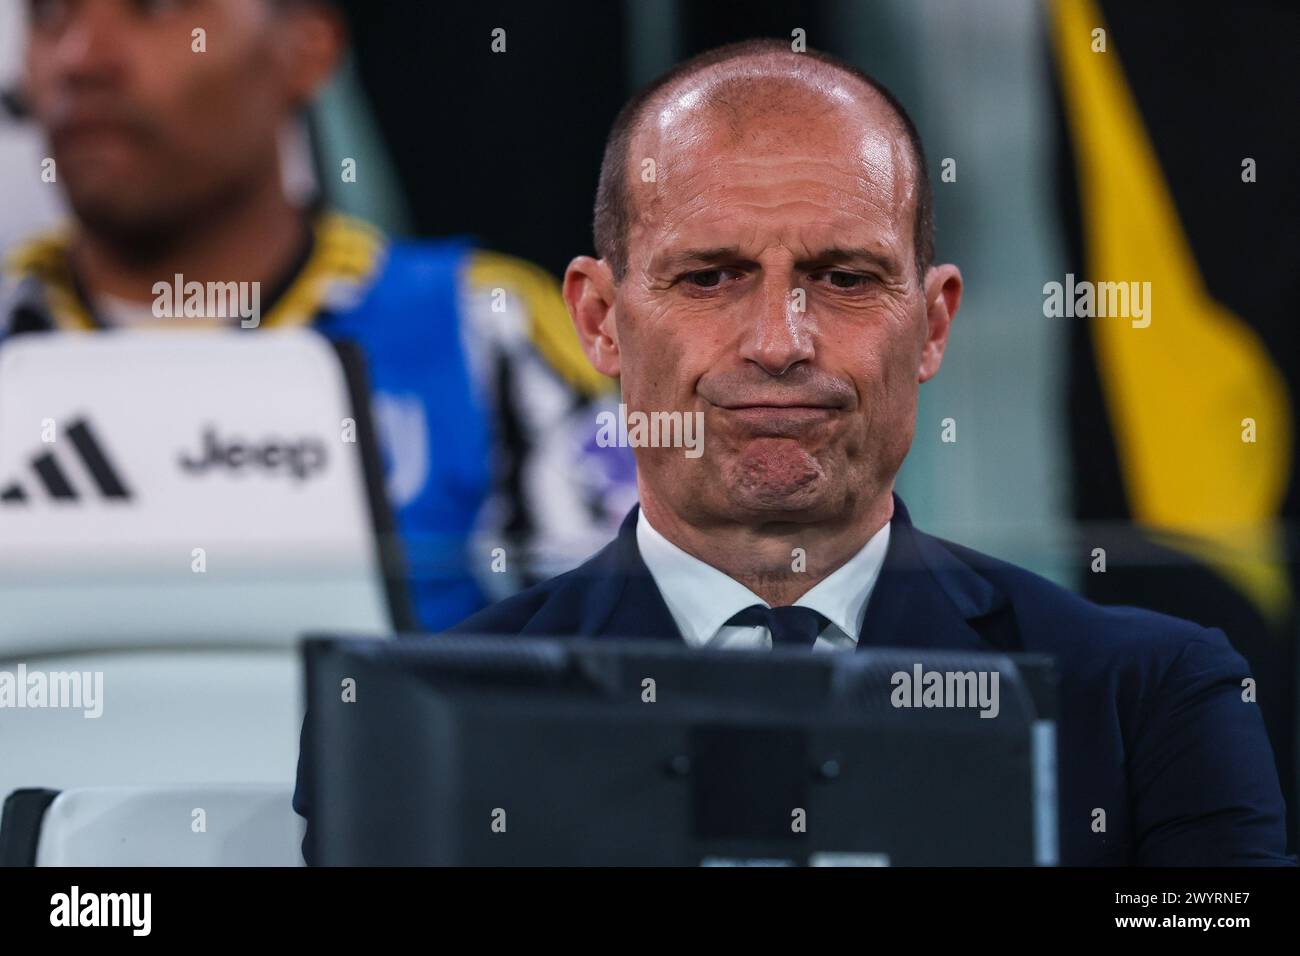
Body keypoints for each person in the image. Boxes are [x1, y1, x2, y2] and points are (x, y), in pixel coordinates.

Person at [425, 39, 1292, 866]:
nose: (777, 341)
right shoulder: (433, 719)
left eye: (844, 279)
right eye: (709, 277)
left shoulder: (1150, 695)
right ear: (599, 321)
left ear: (934, 323)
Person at [0, 0, 635, 629]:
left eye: (158, 8)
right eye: (50, 14)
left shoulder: (489, 334)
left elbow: (632, 670)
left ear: (308, 47)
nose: (82, 56)